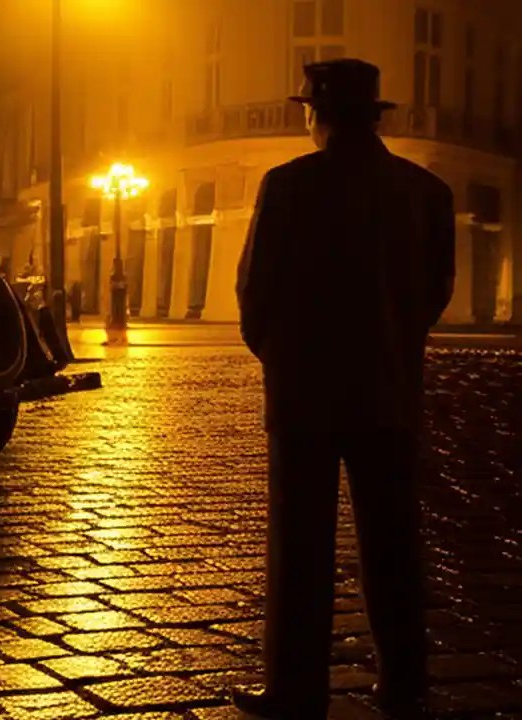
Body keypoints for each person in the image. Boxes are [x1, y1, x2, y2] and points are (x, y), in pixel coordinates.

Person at [233, 59, 456, 720]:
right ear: (372, 115)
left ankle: (297, 690)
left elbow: (254, 291)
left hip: (303, 394)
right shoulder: (426, 192)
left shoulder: (288, 185)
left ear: (316, 114)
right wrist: (396, 344)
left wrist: (278, 354)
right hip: (389, 388)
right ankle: (404, 683)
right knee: (395, 541)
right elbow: (434, 294)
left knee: (299, 549)